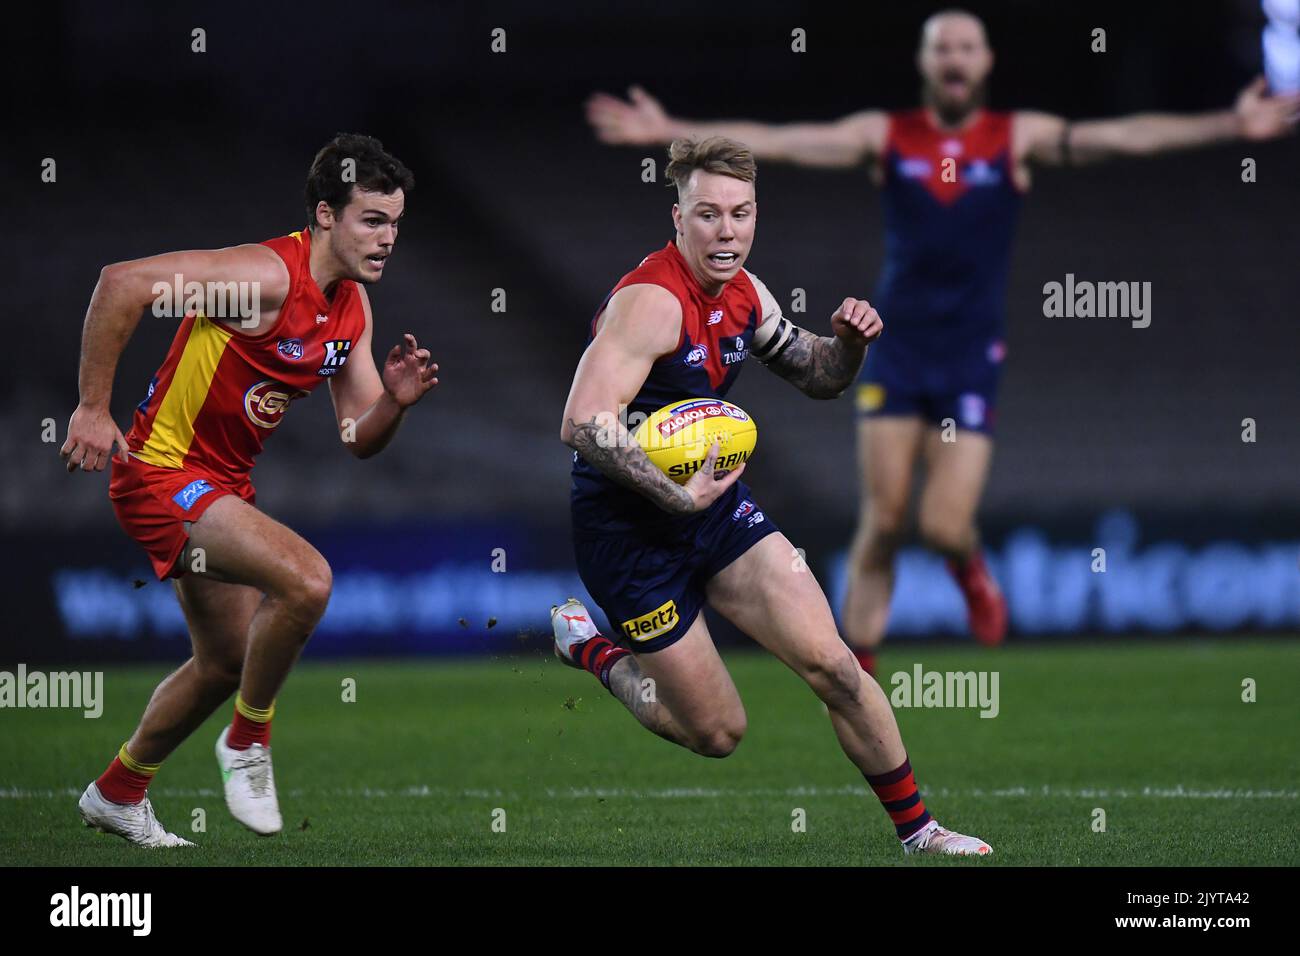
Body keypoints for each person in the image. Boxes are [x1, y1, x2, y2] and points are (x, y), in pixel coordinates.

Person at [585, 8, 1300, 673]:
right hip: (893, 347)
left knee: (945, 523)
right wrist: (671, 130)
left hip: (969, 354)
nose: (954, 58)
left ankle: (967, 565)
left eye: (966, 46)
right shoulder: (887, 135)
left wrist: (1228, 125)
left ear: (985, 60)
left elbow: (1115, 137)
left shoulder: (1012, 137)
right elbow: (784, 141)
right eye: (941, 48)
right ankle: (861, 676)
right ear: (926, 63)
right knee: (885, 520)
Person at [552, 135, 991, 856]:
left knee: (835, 666)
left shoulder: (748, 294)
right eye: (708, 215)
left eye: (741, 213)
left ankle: (921, 832)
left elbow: (819, 375)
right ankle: (593, 650)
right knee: (717, 732)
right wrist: (674, 495)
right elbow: (583, 422)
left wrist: (849, 344)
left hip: (715, 510)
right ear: (677, 219)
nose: (727, 232)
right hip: (627, 535)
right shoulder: (651, 305)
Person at [61, 133, 438, 846]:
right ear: (326, 215)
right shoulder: (264, 277)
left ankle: (118, 792)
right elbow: (122, 283)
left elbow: (357, 438)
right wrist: (90, 406)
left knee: (225, 661)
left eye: (395, 223)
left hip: (221, 485)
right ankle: (248, 743)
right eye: (372, 220)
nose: (388, 238)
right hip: (160, 473)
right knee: (308, 581)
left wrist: (393, 403)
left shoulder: (350, 309)